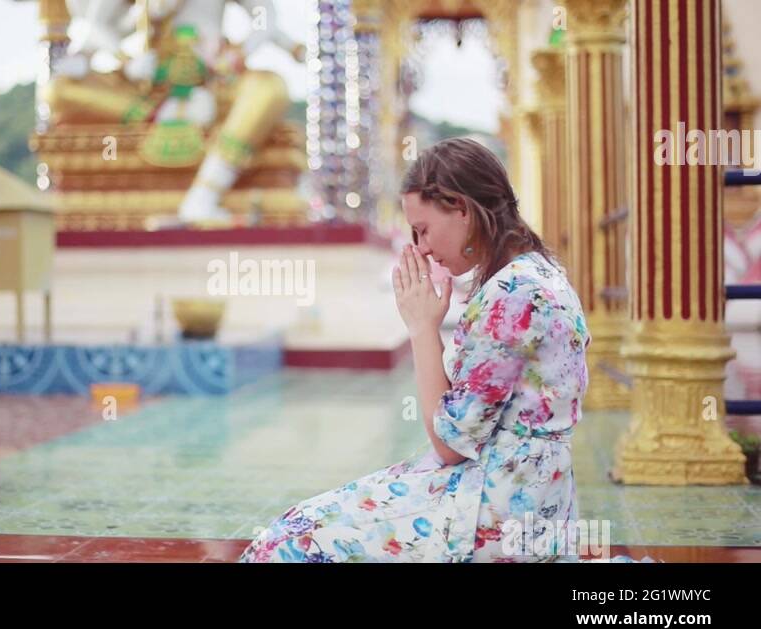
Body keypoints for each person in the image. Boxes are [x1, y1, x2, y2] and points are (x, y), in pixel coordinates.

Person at [240, 138, 596, 562]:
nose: (422, 248)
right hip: (534, 497)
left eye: (423, 229)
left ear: (461, 208)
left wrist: (422, 326)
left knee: (287, 543)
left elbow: (449, 443)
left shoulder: (512, 295)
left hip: (498, 510)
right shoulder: (541, 272)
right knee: (302, 523)